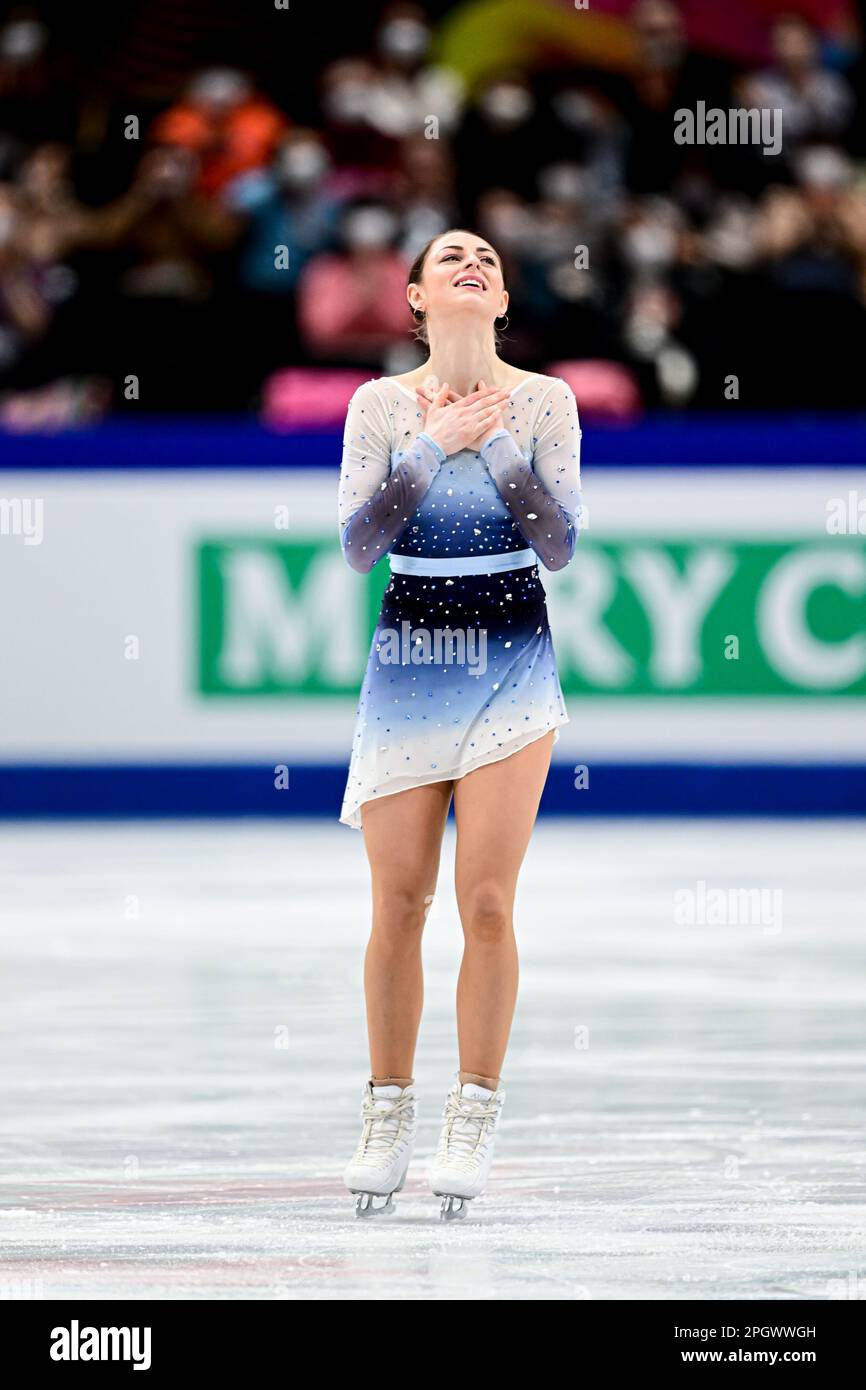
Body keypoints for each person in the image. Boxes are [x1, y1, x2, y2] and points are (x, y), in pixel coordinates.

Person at [336, 229, 582, 1218]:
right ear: (413, 297)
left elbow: (558, 543)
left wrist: (499, 444)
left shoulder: (547, 400)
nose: (471, 263)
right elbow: (359, 545)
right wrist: (431, 446)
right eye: (449, 258)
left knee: (486, 901)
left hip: (510, 661)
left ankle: (472, 1108)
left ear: (503, 298)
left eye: (485, 257)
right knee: (398, 905)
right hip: (407, 664)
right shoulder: (378, 405)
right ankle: (385, 1110)